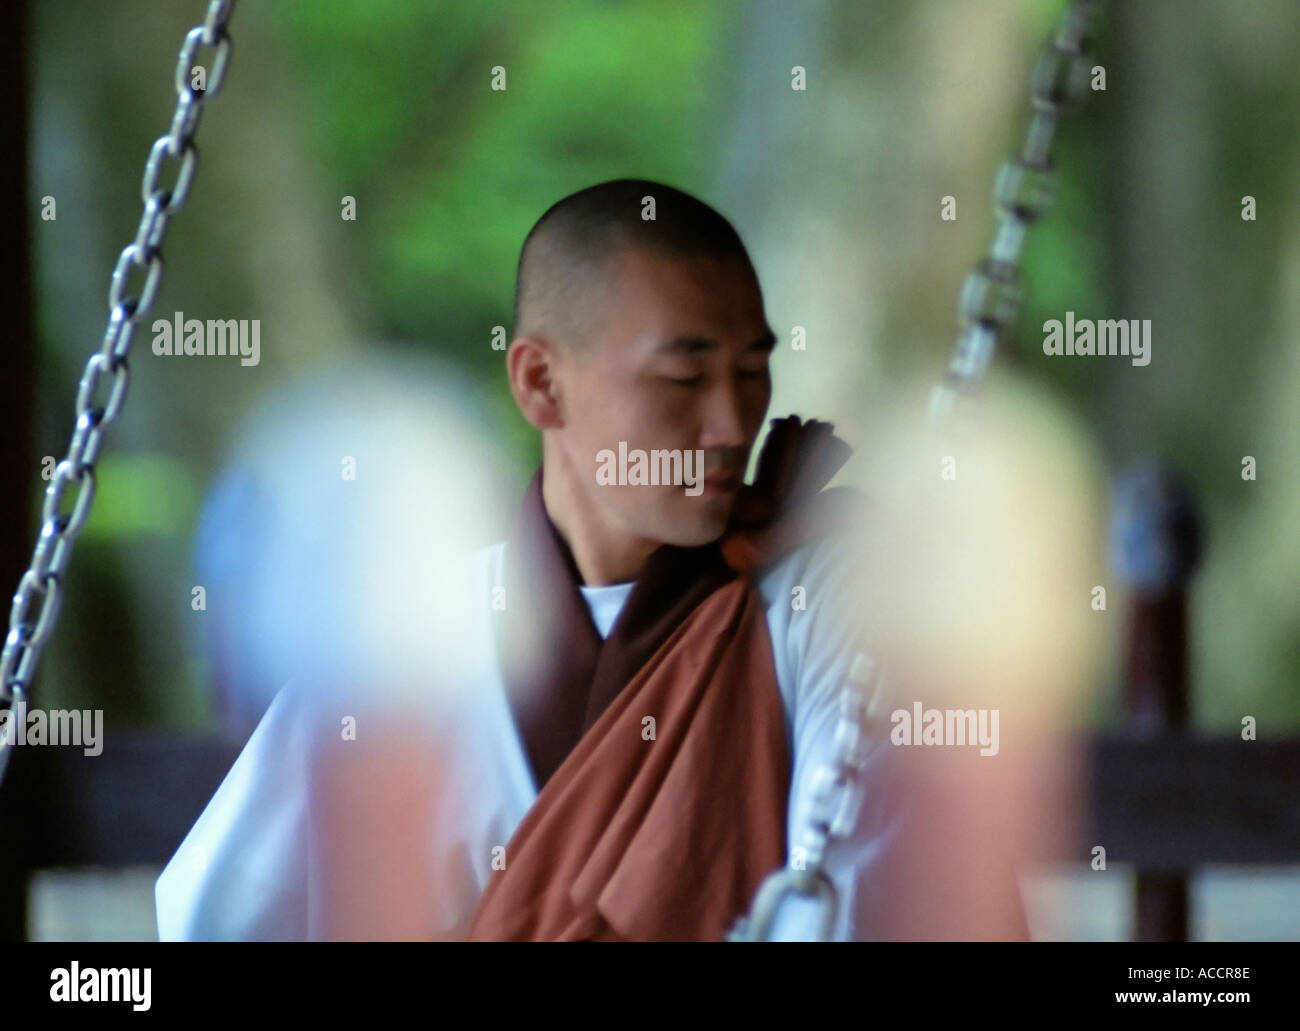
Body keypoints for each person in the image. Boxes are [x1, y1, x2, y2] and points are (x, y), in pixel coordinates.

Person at [155, 177, 1031, 941]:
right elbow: (225, 913)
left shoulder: (820, 597)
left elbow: (877, 901)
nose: (732, 424)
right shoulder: (417, 619)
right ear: (540, 382)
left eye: (752, 372)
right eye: (683, 378)